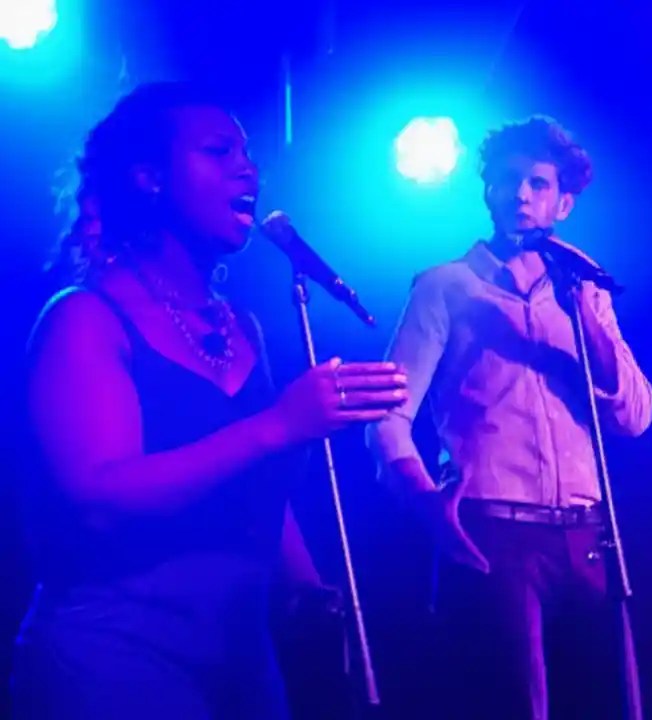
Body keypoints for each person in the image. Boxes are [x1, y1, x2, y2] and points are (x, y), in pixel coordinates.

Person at [12, 82, 408, 719]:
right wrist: (281, 424)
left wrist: (307, 587)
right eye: (219, 151)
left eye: (248, 154)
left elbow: (255, 487)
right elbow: (100, 501)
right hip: (113, 662)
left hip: (240, 664)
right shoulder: (86, 317)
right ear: (149, 178)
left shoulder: (240, 327)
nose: (248, 168)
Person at [367, 115, 652, 720]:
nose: (521, 193)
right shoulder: (445, 286)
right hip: (496, 529)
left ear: (564, 202)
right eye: (507, 180)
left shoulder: (586, 294)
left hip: (588, 533)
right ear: (487, 191)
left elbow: (634, 416)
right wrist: (424, 500)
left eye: (538, 183)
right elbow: (390, 416)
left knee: (606, 702)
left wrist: (587, 322)